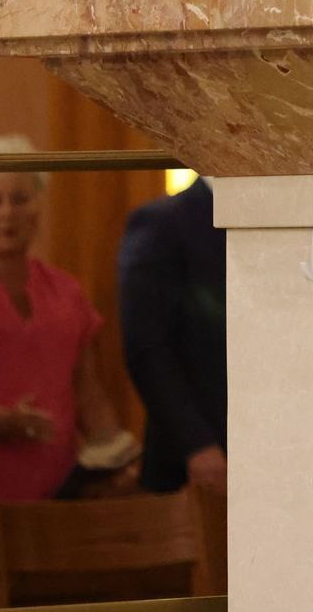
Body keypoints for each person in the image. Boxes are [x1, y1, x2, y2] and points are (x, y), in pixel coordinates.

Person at [0, 135, 133, 502]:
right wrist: (0, 422)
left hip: (57, 493)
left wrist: (118, 457)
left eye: (20, 199)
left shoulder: (67, 291)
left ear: (38, 206)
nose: (7, 213)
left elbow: (88, 392)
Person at [117, 176, 227, 494]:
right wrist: (196, 444)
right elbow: (148, 348)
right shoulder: (162, 223)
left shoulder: (276, 213)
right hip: (195, 459)